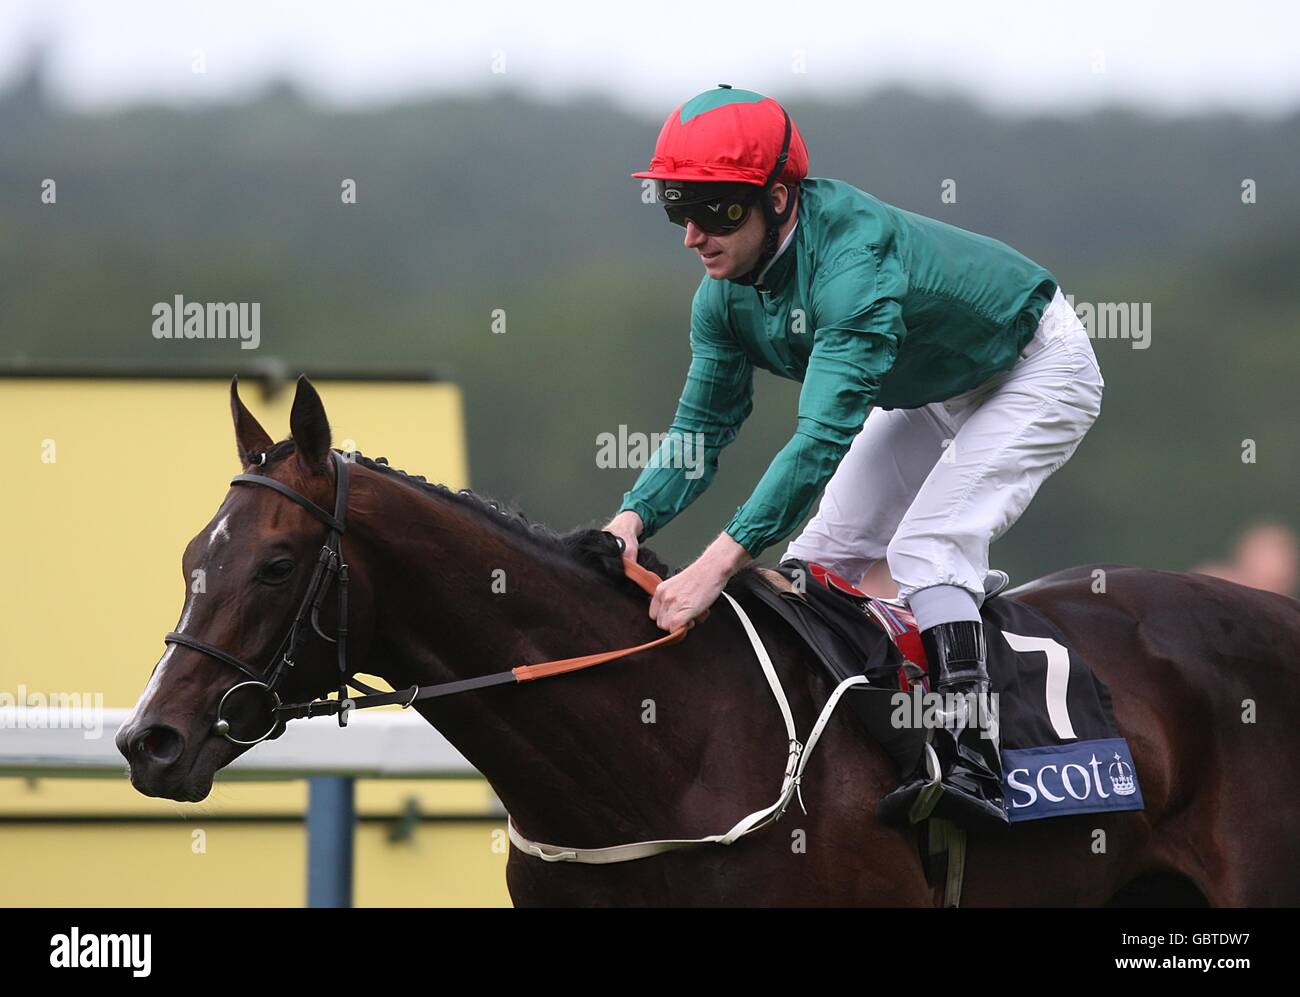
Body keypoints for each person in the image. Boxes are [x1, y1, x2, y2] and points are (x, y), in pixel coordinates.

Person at [603, 85, 1104, 830]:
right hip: (934, 386)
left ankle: (978, 758)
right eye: (679, 208)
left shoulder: (853, 265)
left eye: (715, 210)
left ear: (777, 198)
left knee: (927, 548)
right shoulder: (722, 296)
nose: (693, 236)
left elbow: (818, 438)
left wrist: (716, 564)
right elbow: (700, 430)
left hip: (1035, 367)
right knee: (815, 561)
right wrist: (631, 517)